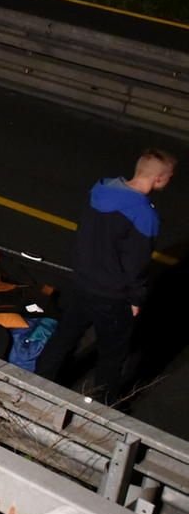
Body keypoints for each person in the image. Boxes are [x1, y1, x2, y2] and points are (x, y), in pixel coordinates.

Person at [37, 150, 175, 406]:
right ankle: (102, 405)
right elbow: (137, 265)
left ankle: (36, 384)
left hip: (80, 283)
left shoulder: (100, 189)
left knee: (64, 337)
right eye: (169, 178)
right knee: (112, 355)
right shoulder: (144, 215)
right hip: (112, 295)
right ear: (158, 179)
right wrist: (136, 299)